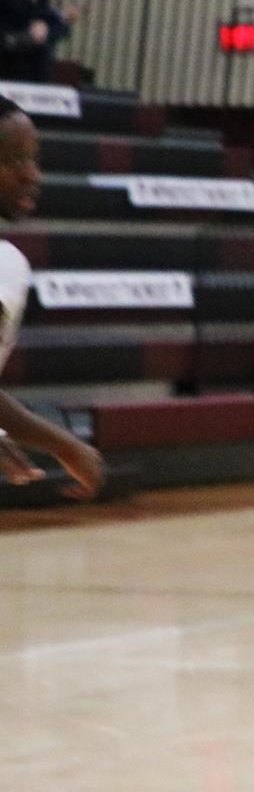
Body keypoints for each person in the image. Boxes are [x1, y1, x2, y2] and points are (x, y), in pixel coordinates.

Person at [0, 96, 106, 498]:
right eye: (12, 160)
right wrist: (69, 447)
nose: (32, 175)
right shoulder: (4, 263)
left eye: (33, 158)